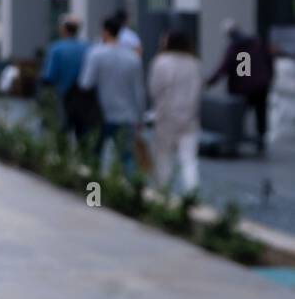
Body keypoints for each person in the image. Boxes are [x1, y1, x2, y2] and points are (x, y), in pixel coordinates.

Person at [79, 16, 146, 176]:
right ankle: (132, 194)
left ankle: (93, 197)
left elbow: (85, 83)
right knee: (127, 157)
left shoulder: (96, 54)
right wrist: (140, 117)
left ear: (105, 31)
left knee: (95, 155)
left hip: (101, 114)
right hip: (127, 115)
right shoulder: (132, 58)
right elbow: (139, 90)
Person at [148, 30, 203, 194]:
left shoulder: (161, 62)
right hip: (190, 119)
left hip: (166, 117)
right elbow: (198, 90)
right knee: (189, 160)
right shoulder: (194, 63)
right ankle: (191, 193)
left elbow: (154, 89)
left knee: (163, 157)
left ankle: (163, 192)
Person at [207, 20, 274, 153]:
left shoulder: (235, 48)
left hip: (242, 89)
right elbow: (269, 60)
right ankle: (261, 141)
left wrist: (210, 82)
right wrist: (269, 77)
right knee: (261, 114)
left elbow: (224, 67)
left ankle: (237, 139)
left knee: (239, 115)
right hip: (261, 86)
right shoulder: (257, 43)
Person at [40, 14, 91, 138]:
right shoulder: (88, 47)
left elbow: (49, 76)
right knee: (83, 135)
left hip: (63, 96)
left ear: (63, 29)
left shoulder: (56, 49)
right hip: (85, 98)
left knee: (61, 132)